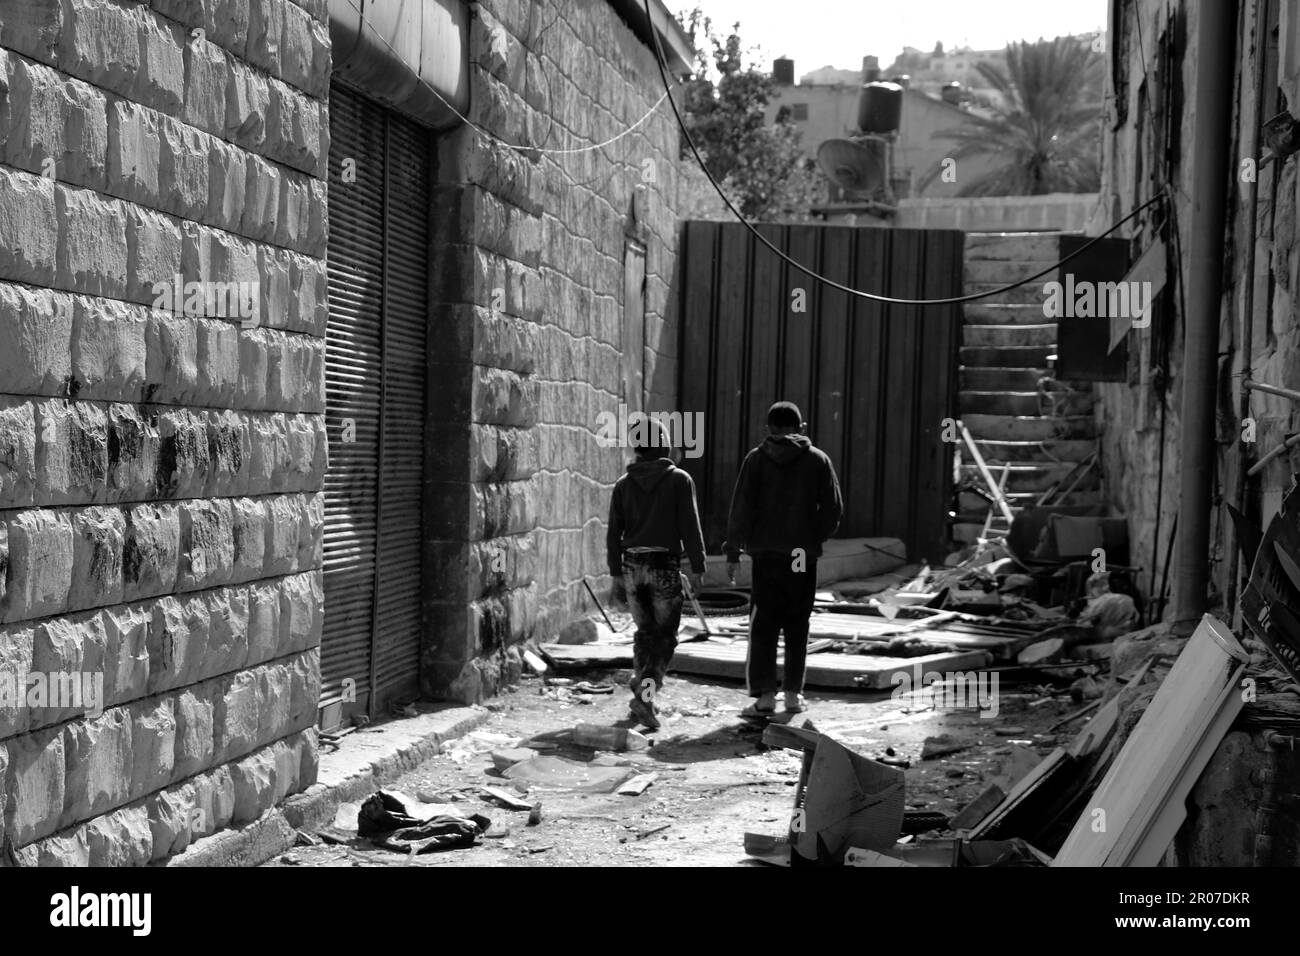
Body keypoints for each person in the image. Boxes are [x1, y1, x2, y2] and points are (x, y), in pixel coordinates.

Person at [724, 402, 843, 717]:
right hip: (800, 555)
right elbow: (833, 510)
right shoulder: (818, 460)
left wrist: (734, 551)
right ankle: (792, 694)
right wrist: (811, 536)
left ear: (768, 429)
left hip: (766, 555)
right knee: (796, 620)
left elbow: (741, 509)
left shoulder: (756, 460)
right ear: (801, 428)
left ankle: (765, 696)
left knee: (763, 623)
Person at [606, 418, 707, 729]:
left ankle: (641, 688)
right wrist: (698, 565)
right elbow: (690, 526)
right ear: (663, 445)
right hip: (663, 565)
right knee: (665, 637)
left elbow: (613, 533)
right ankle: (646, 697)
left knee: (645, 633)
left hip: (632, 565)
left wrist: (616, 574)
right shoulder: (679, 480)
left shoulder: (623, 484)